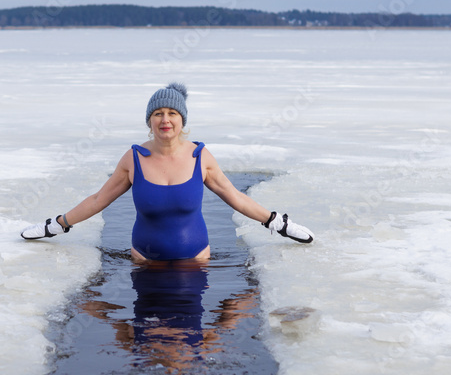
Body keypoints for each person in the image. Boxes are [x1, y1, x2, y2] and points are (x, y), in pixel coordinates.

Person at [20, 82, 314, 262]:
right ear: (149, 121)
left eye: (172, 113)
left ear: (182, 120)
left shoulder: (201, 156)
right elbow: (99, 200)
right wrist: (56, 225)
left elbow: (235, 196)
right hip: (144, 264)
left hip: (197, 264)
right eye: (158, 113)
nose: (165, 120)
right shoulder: (133, 158)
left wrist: (279, 223)